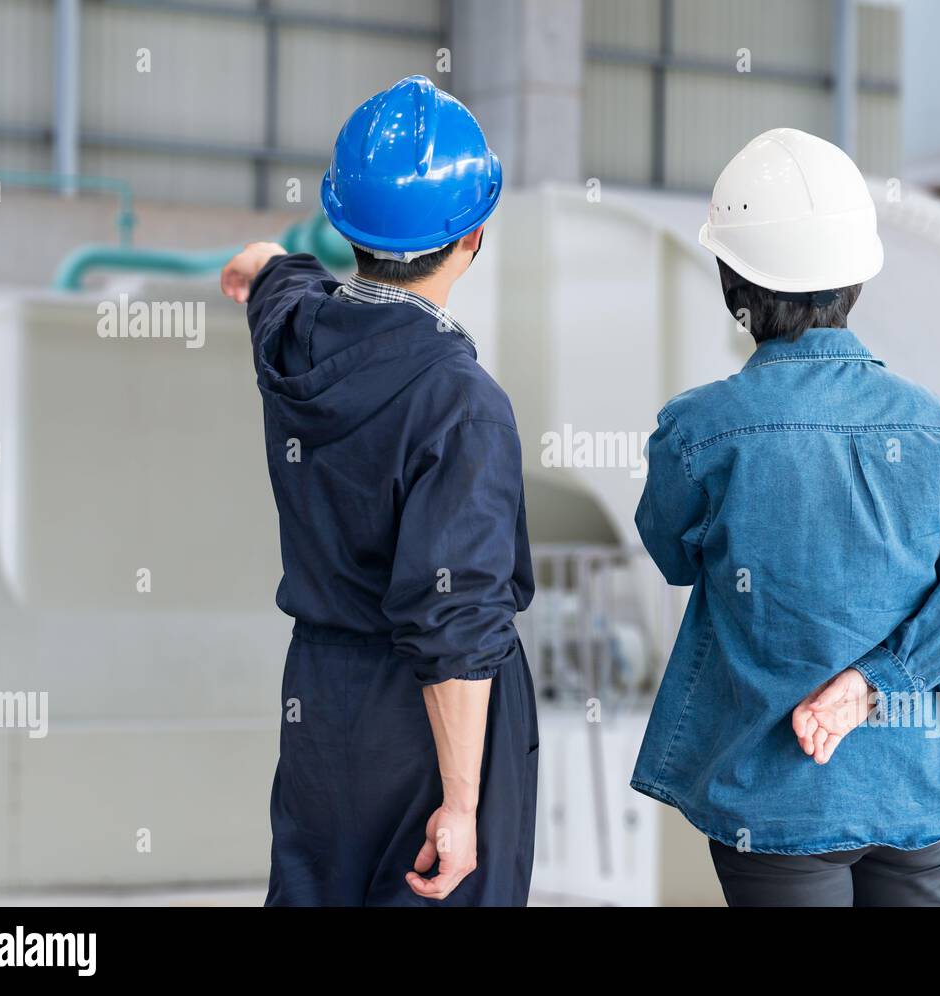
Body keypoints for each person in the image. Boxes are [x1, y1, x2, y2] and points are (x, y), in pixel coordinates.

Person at [631, 128, 940, 907]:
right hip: (911, 788)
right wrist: (876, 682)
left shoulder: (700, 432)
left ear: (733, 283)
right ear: (856, 279)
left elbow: (676, 556)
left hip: (775, 795)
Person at [219, 76, 538, 906]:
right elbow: (453, 617)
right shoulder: (462, 404)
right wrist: (462, 804)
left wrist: (256, 261)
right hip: (422, 718)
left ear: (344, 224)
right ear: (472, 237)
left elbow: (275, 274)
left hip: (319, 707)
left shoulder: (292, 333)